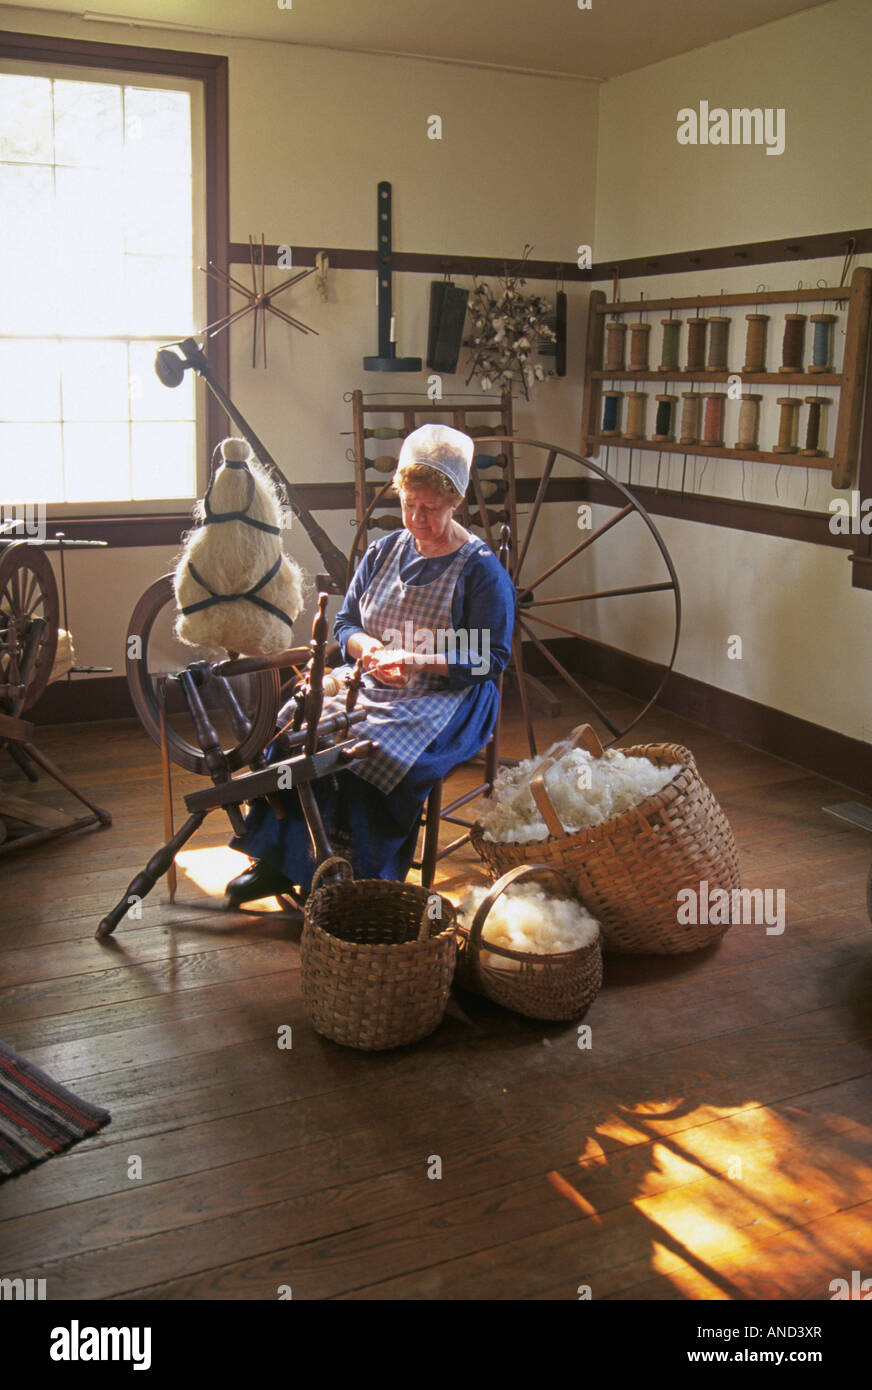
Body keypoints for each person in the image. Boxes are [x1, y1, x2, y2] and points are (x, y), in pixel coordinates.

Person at [224, 422, 516, 905]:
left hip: (447, 696)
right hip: (373, 680)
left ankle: (363, 881)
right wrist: (370, 650)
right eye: (409, 505)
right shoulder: (383, 552)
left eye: (430, 509)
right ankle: (281, 862)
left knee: (371, 754)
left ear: (455, 502)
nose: (417, 518)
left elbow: (490, 657)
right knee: (298, 725)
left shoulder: (479, 569)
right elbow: (346, 625)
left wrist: (416, 659)